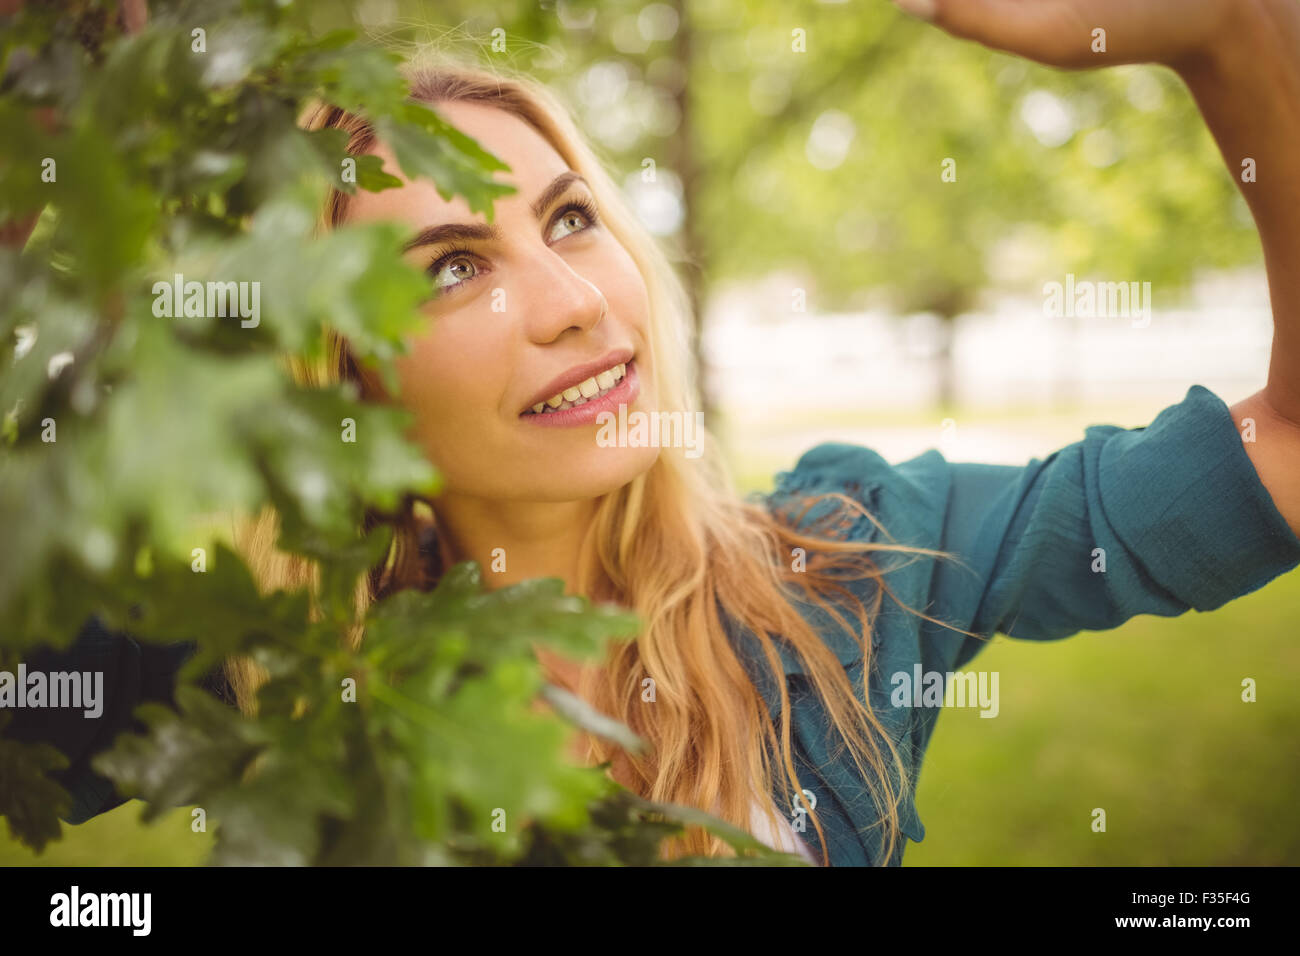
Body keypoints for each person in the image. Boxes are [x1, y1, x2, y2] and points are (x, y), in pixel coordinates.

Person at [7, 0, 1300, 867]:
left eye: (571, 221)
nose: (577, 306)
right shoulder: (246, 665)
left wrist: (1235, 37)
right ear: (335, 382)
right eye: (453, 267)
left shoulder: (844, 574)